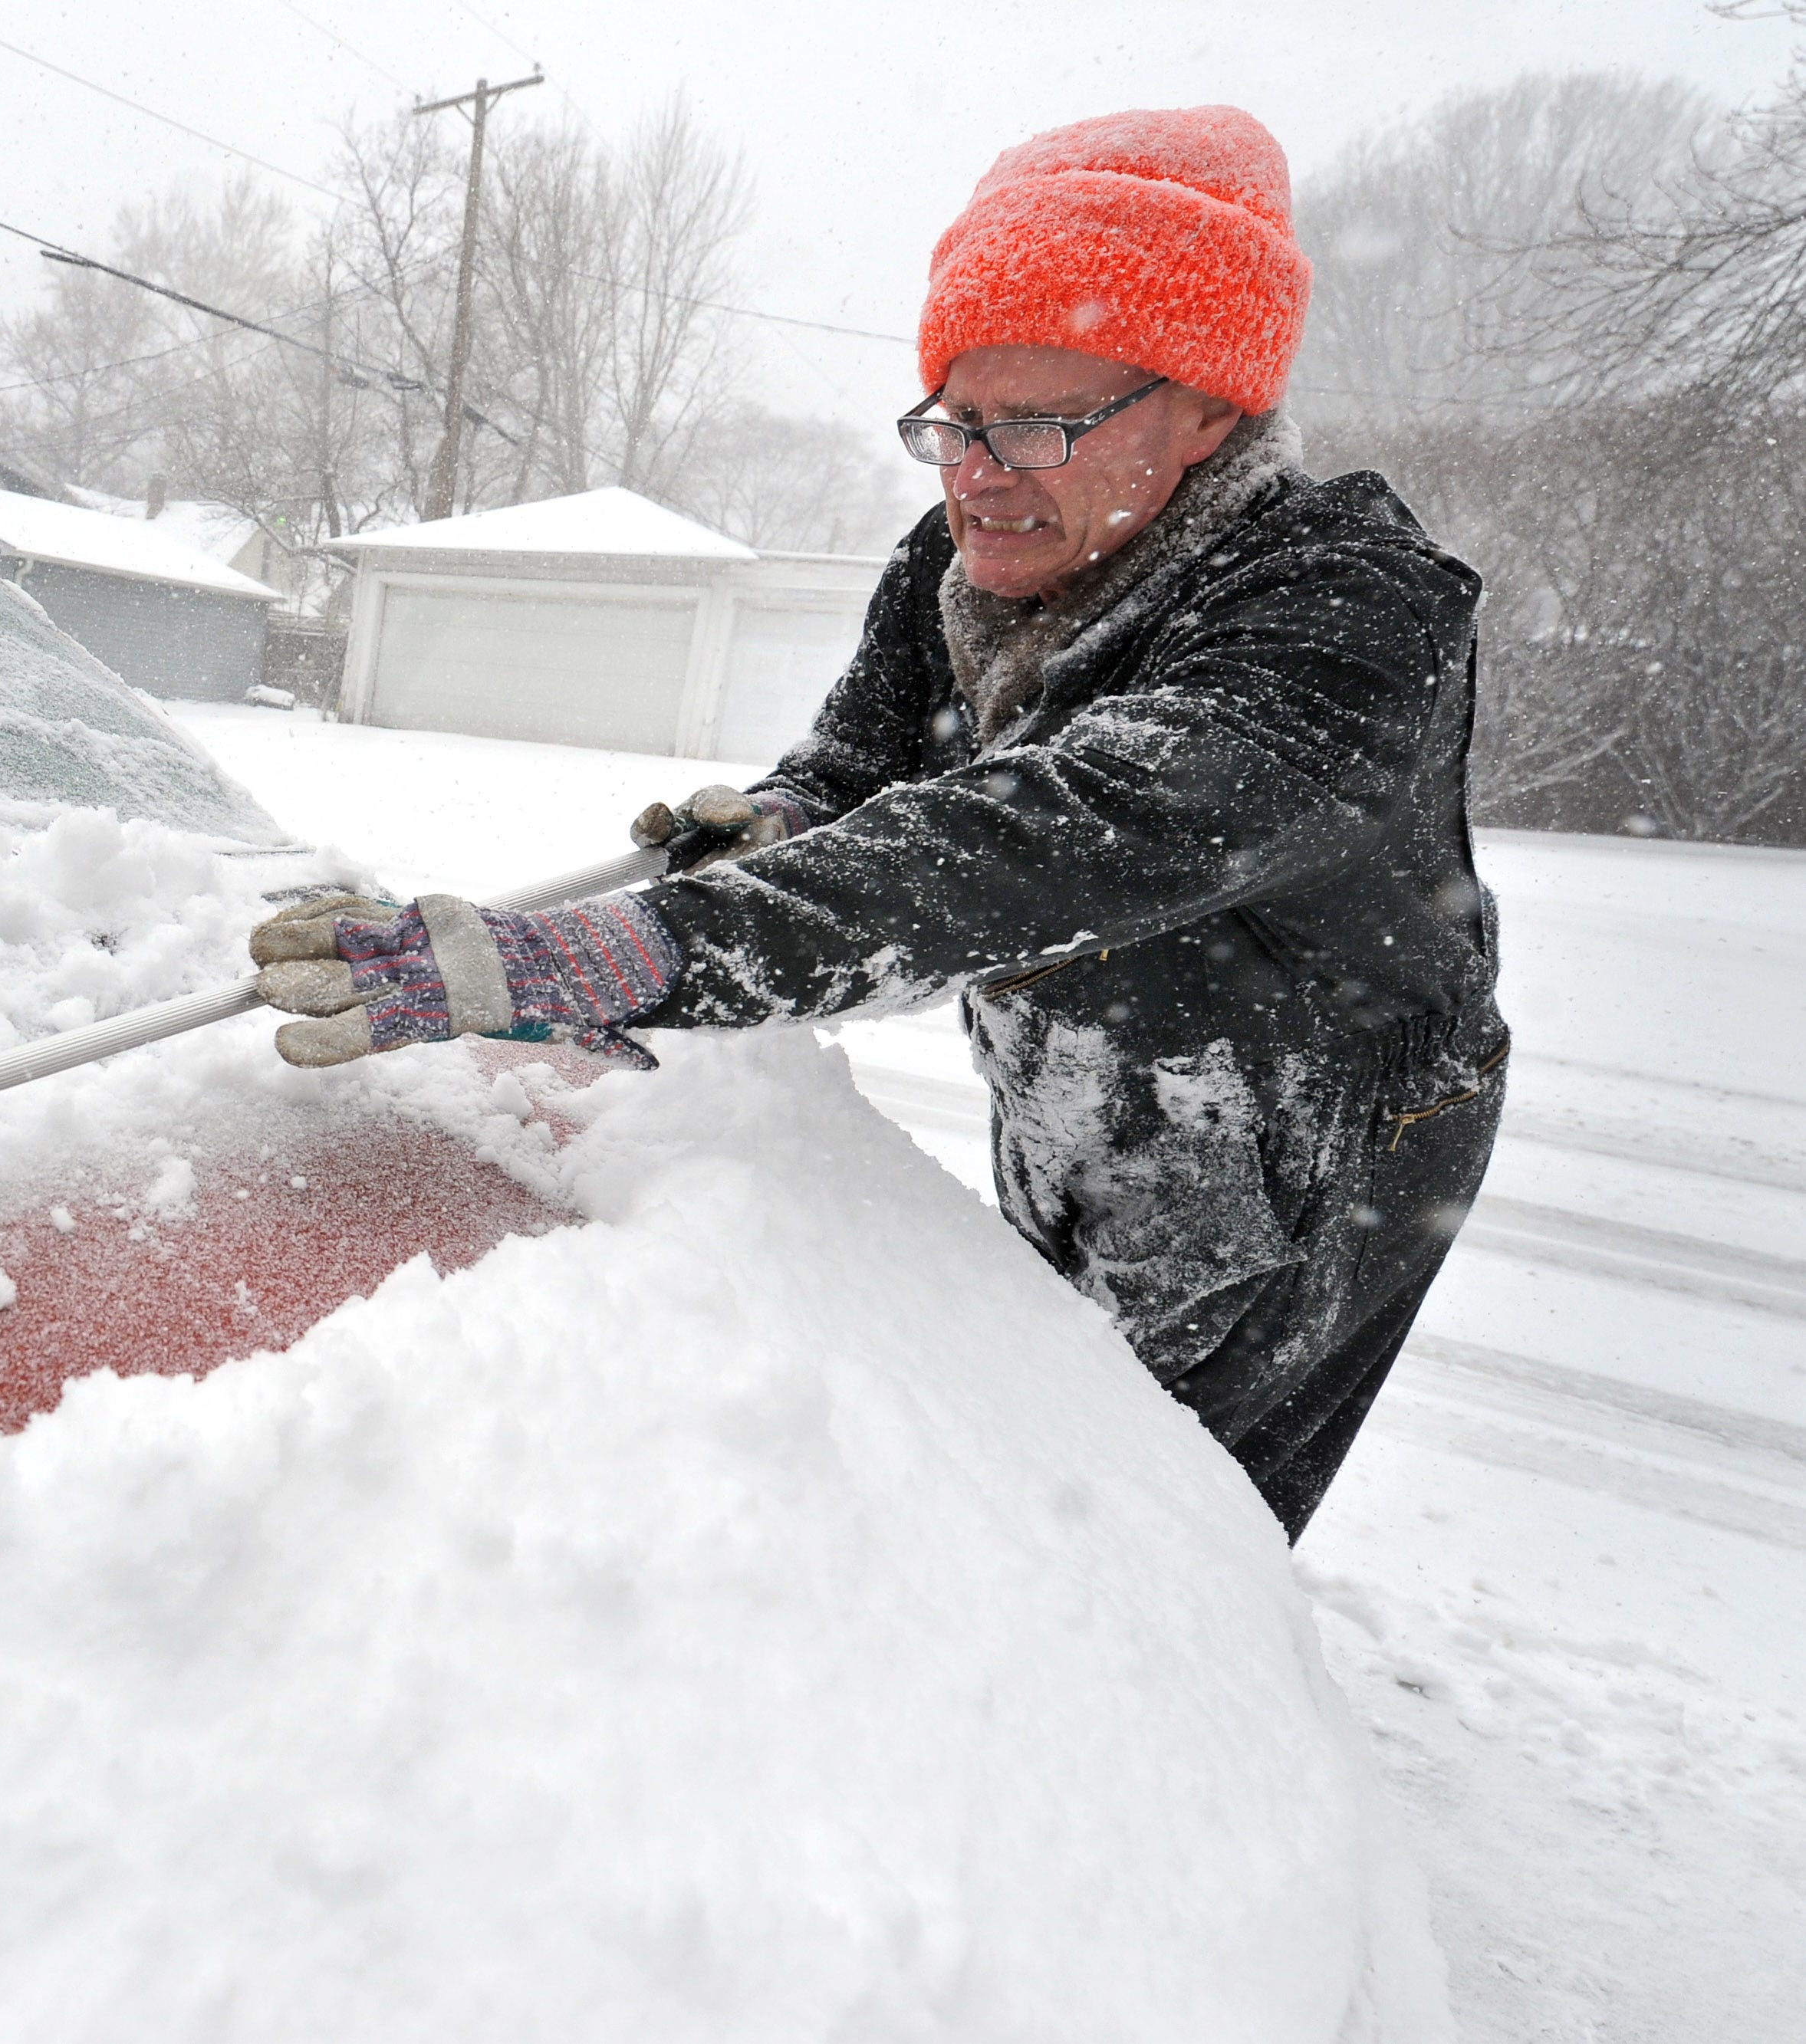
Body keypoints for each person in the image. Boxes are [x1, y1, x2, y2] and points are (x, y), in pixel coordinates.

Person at [251, 105, 1507, 1543]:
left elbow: (1060, 838)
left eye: (1036, 422)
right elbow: (863, 764)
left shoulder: (1348, 602)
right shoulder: (965, 555)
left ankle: (1146, 1729)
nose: (978, 473)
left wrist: (627, 951)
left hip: (1310, 1126)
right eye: (956, 422)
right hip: (1078, 1064)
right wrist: (780, 819)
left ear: (1213, 408)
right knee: (1038, 1402)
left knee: (1149, 1510)